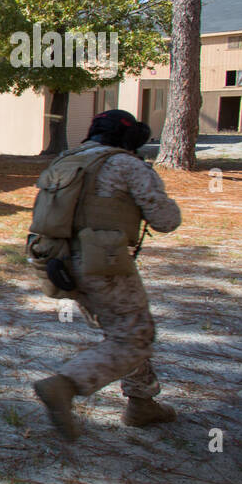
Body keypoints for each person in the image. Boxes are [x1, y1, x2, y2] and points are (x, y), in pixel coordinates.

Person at [32, 110, 183, 441]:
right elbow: (166, 220)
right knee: (133, 337)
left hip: (58, 264)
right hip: (102, 264)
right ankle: (65, 385)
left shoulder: (65, 160)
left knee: (122, 329)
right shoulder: (126, 165)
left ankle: (142, 402)